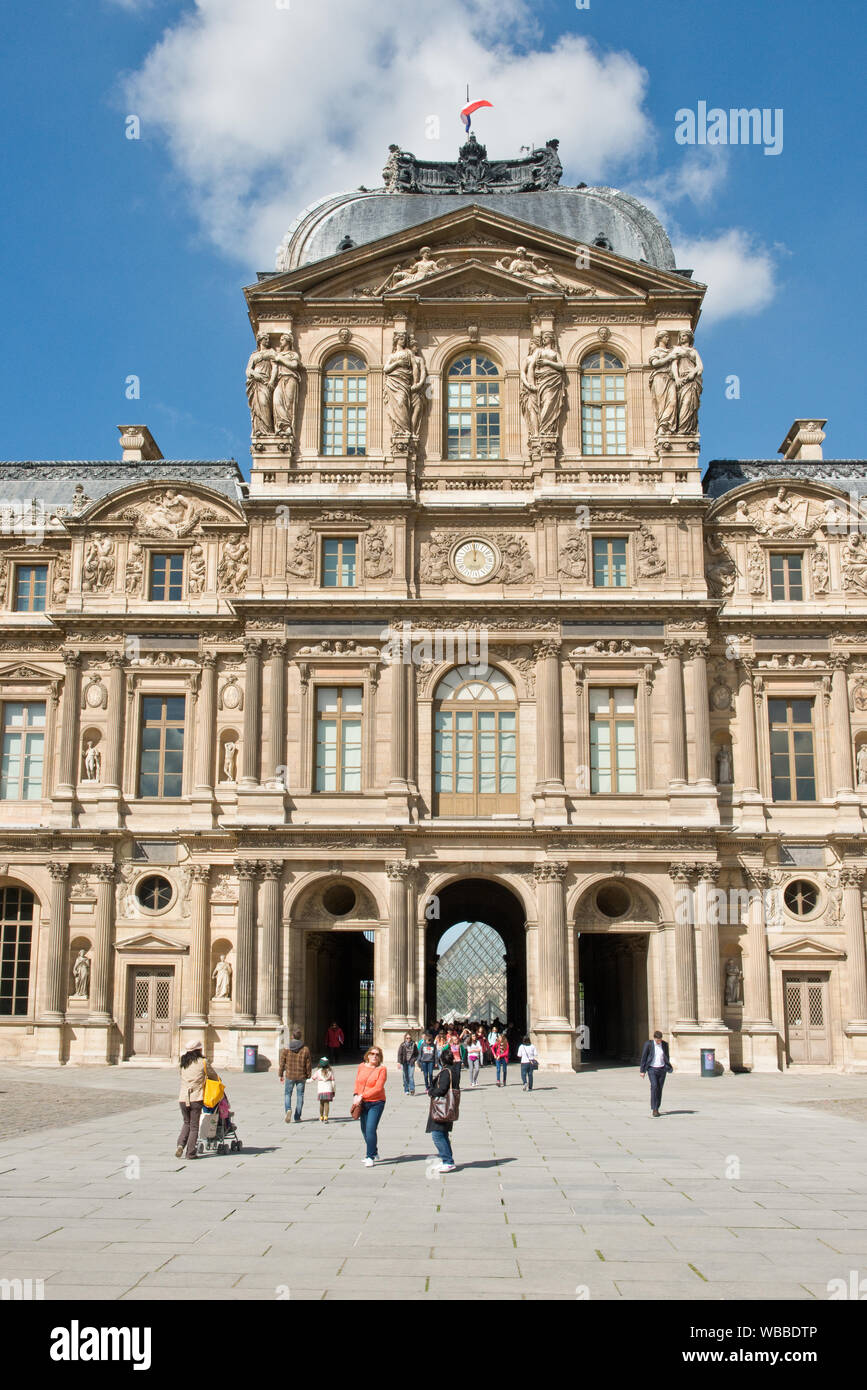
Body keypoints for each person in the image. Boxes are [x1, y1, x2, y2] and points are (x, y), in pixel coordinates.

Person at [176, 1040, 220, 1160]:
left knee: (186, 1122)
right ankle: (190, 1153)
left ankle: (180, 1145)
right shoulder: (203, 1062)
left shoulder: (182, 1062)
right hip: (196, 1098)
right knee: (194, 1126)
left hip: (183, 1098)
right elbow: (213, 1076)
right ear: (199, 1050)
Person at [426, 1045, 461, 1173]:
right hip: (448, 1107)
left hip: (442, 1107)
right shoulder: (454, 1071)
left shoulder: (446, 1072)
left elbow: (442, 1089)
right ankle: (447, 1160)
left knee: (437, 1135)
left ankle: (448, 1161)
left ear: (441, 1060)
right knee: (443, 1134)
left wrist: (431, 1091)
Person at [354, 1046, 387, 1166]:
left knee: (370, 1128)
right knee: (364, 1129)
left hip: (377, 1102)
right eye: (372, 1054)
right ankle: (374, 1150)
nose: (374, 1056)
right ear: (367, 1055)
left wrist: (362, 1095)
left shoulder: (382, 1069)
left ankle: (369, 1156)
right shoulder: (361, 1066)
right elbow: (357, 1082)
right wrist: (355, 1094)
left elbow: (378, 1088)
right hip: (362, 1102)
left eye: (377, 1055)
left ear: (380, 1057)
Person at [278, 1028, 312, 1123]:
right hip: (301, 1076)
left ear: (292, 1036)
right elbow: (308, 1064)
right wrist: (308, 1075)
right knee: (300, 1095)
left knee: (287, 1094)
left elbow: (282, 1063)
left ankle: (288, 1110)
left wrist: (280, 1074)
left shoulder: (287, 1049)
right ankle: (297, 1116)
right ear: (300, 1037)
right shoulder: (305, 1049)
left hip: (290, 1075)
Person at [639, 1030, 673, 1117]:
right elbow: (644, 1057)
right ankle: (654, 1109)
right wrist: (642, 1071)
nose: (659, 1041)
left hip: (662, 1069)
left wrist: (667, 1067)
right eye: (658, 1040)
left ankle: (657, 1107)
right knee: (654, 1086)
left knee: (659, 1088)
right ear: (654, 1038)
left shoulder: (665, 1044)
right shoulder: (649, 1044)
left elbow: (666, 1056)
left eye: (660, 1039)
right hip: (652, 1069)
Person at [312, 1056, 335, 1123]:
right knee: (327, 1104)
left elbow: (312, 1078)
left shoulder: (318, 1072)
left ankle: (321, 1116)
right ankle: (326, 1117)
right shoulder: (330, 1072)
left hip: (321, 1090)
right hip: (328, 1090)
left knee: (321, 1104)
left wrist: (306, 1080)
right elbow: (333, 1082)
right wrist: (333, 1090)